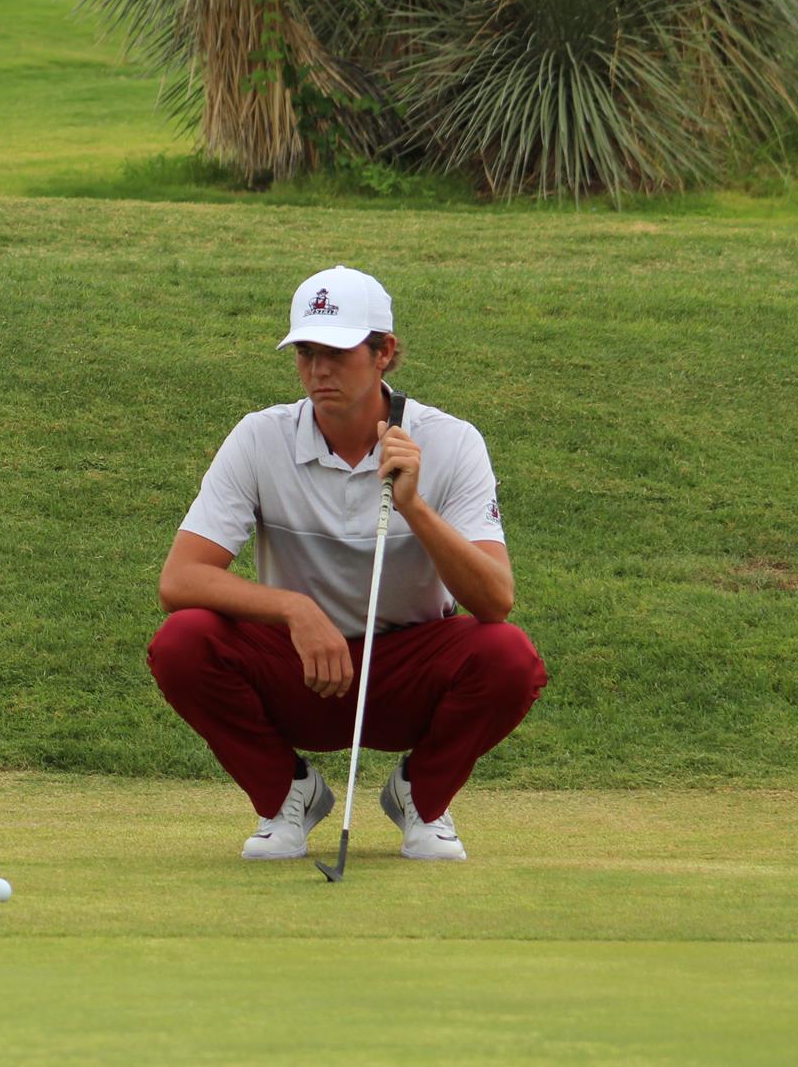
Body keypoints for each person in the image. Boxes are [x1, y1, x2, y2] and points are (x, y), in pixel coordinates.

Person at [147, 266, 547, 862]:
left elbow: (495, 598)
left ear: (384, 352)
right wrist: (294, 608)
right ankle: (288, 795)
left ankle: (423, 797)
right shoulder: (260, 438)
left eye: (336, 352)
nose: (317, 371)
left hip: (406, 671)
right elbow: (180, 581)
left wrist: (413, 506)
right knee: (184, 641)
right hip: (300, 669)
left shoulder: (453, 441)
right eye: (305, 352)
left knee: (509, 656)